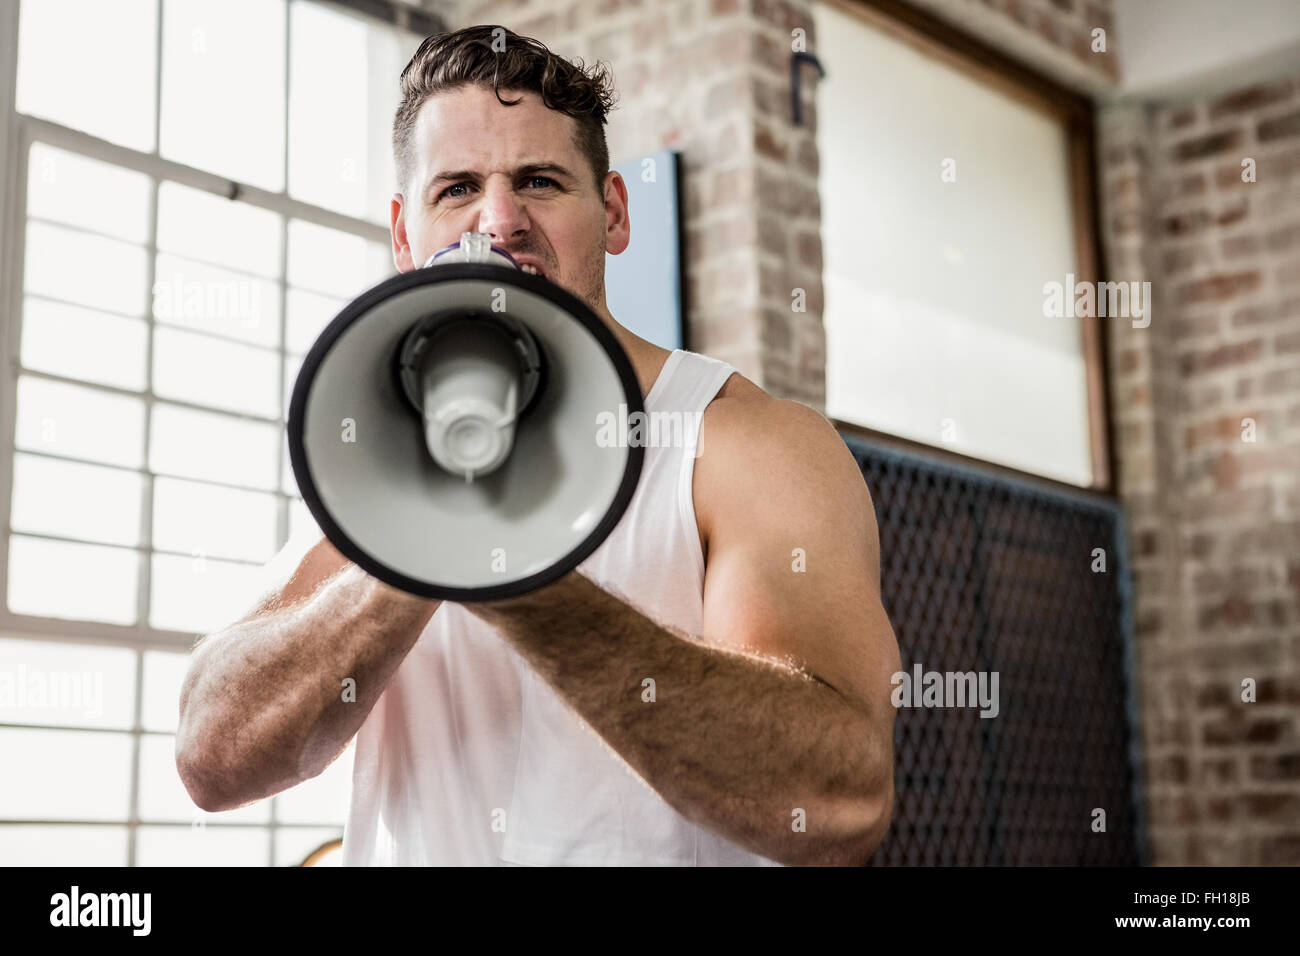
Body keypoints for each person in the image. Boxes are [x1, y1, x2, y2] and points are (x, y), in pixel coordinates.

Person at [176, 24, 901, 866]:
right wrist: (419, 542)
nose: (499, 220)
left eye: (540, 180)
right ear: (405, 236)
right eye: (457, 188)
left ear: (616, 215)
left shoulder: (743, 444)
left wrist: (518, 577)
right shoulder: (377, 450)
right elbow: (210, 756)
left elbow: (840, 803)